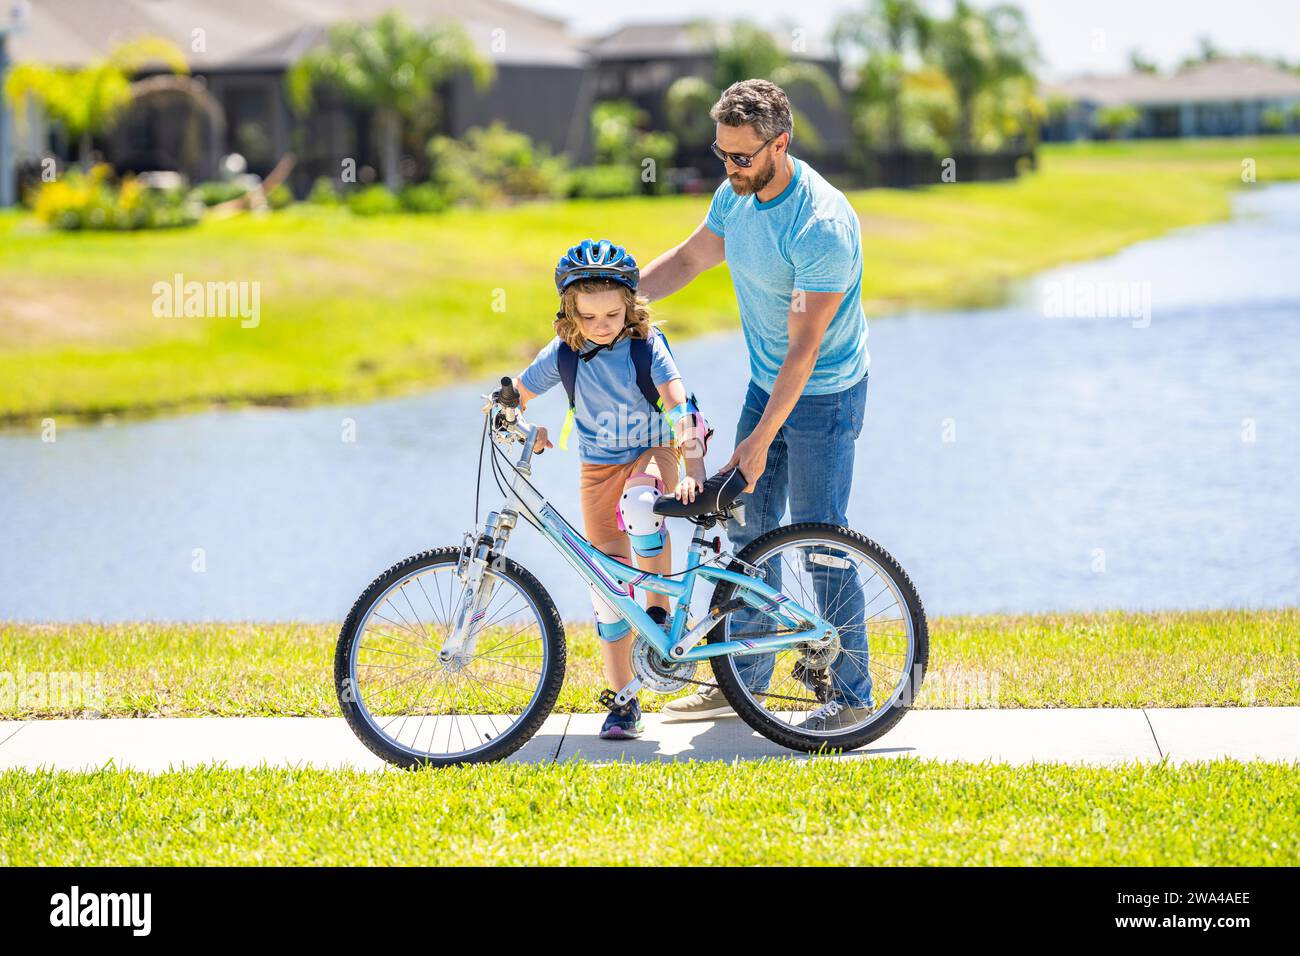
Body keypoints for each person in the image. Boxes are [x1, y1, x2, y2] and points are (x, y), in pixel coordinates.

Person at [639, 79, 874, 731]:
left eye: (743, 157)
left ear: (781, 145)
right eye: (722, 154)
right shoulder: (734, 197)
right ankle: (741, 682)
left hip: (824, 392)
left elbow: (805, 350)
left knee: (820, 539)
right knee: (746, 531)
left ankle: (853, 699)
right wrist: (614, 299)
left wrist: (761, 437)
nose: (730, 167)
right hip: (766, 382)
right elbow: (689, 259)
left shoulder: (820, 224)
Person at [513, 239, 710, 740]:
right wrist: (508, 411)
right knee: (605, 589)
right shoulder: (564, 354)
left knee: (642, 505)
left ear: (630, 305)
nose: (602, 325)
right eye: (590, 316)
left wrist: (691, 469)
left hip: (654, 452)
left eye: (612, 313)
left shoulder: (647, 345)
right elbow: (520, 391)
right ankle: (624, 700)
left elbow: (676, 400)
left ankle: (660, 608)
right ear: (569, 314)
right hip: (598, 469)